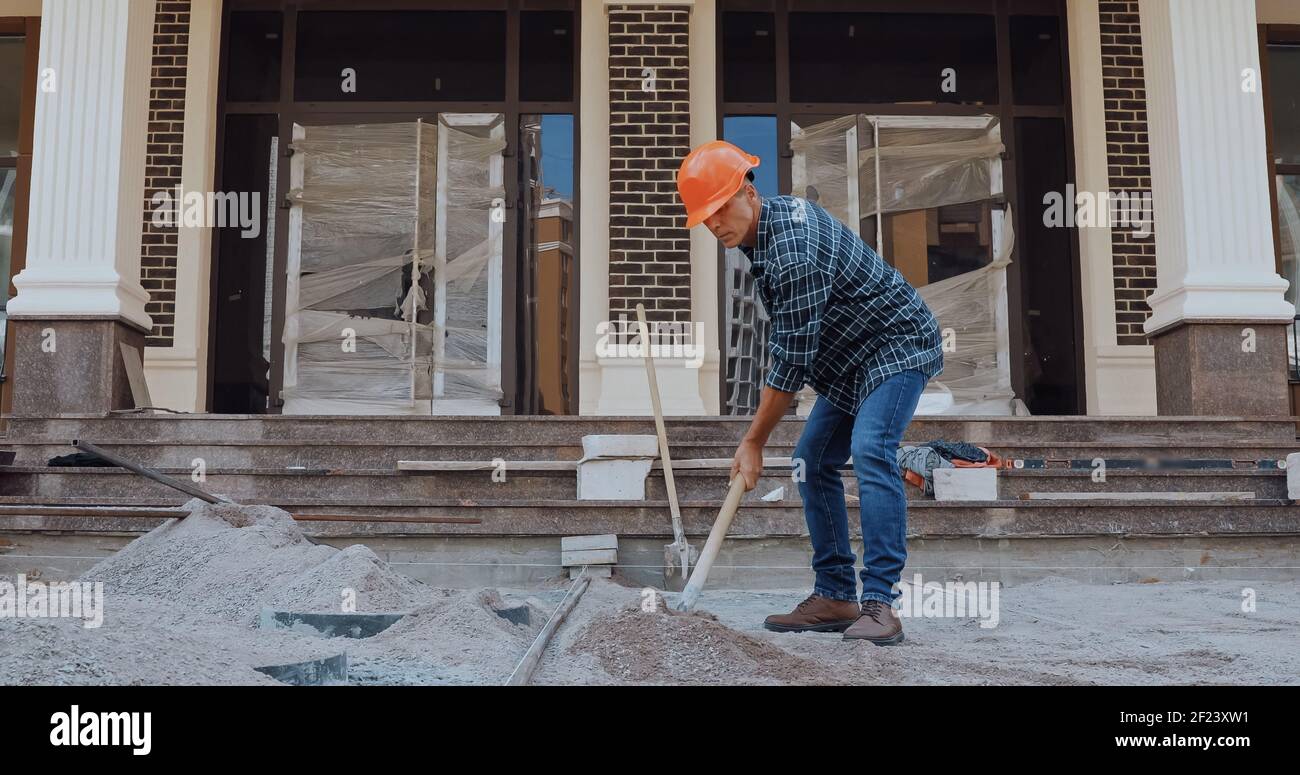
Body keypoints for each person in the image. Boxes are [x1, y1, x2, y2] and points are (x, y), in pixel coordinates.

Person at [676, 140, 944, 645]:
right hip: (848, 361)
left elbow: (791, 366)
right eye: (704, 217)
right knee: (810, 460)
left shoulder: (793, 252)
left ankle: (880, 604)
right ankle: (835, 594)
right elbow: (787, 349)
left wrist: (753, 441)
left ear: (747, 190)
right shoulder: (765, 237)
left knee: (871, 449)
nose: (713, 223)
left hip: (895, 343)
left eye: (719, 208)